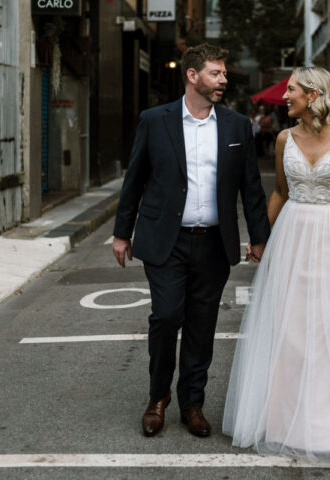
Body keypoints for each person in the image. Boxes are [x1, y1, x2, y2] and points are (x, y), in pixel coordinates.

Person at [222, 66, 330, 468]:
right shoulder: (283, 138)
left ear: (313, 95)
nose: (285, 97)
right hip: (292, 236)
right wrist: (260, 235)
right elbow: (279, 191)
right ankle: (283, 423)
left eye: (291, 90)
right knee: (290, 327)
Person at [112, 44, 270, 438]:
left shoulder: (236, 126)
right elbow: (135, 179)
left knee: (203, 324)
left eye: (224, 73)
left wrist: (259, 237)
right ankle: (157, 396)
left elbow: (251, 188)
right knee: (166, 317)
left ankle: (192, 402)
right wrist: (121, 231)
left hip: (215, 242)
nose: (223, 80)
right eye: (216, 73)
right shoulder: (155, 120)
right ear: (193, 75)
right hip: (167, 240)